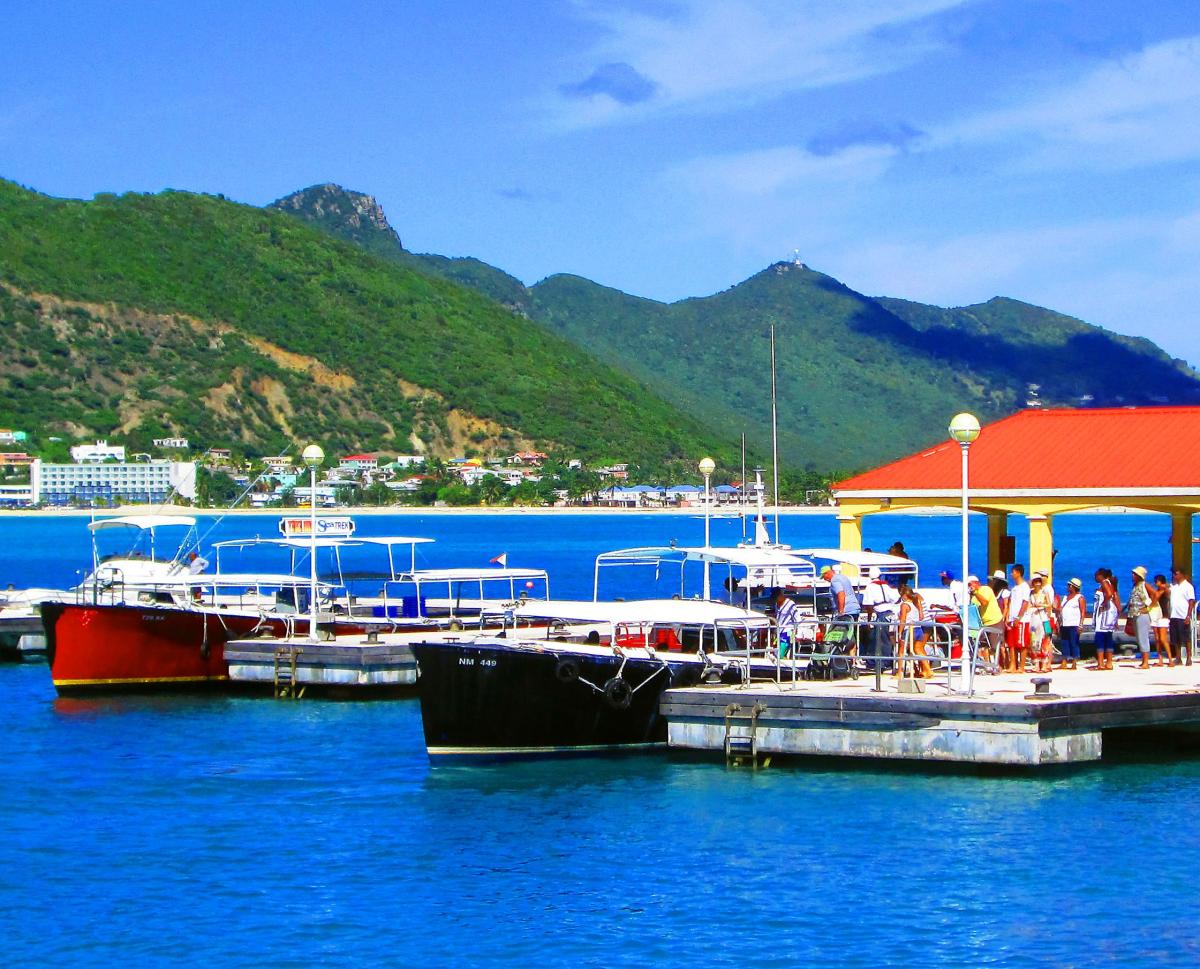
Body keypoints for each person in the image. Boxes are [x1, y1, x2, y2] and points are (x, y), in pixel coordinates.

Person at [860, 566, 900, 672]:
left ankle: (875, 662)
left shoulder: (870, 587)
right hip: (890, 613)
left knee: (876, 639)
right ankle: (888, 661)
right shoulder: (885, 585)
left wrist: (869, 620)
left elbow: (868, 605)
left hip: (880, 614)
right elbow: (896, 599)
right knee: (887, 639)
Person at [968, 575, 1004, 670]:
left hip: (994, 620)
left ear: (976, 583)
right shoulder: (973, 597)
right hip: (983, 623)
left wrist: (975, 592)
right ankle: (987, 665)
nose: (969, 586)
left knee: (995, 646)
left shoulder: (986, 589)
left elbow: (984, 602)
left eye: (970, 584)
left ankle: (999, 666)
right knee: (984, 645)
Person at [896, 584, 931, 678]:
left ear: (903, 595)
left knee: (901, 651)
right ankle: (928, 670)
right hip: (919, 629)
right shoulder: (916, 602)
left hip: (909, 630)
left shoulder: (904, 605)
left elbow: (903, 620)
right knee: (918, 649)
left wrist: (899, 632)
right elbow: (921, 616)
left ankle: (899, 673)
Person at [1006, 564, 1032, 673]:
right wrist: (1008, 617)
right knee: (1011, 643)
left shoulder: (1025, 587)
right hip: (1012, 618)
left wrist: (1018, 617)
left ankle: (1022, 666)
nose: (1012, 574)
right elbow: (1011, 603)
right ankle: (1013, 665)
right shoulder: (1014, 588)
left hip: (1022, 619)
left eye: (1013, 572)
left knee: (1021, 643)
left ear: (1018, 572)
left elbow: (1025, 603)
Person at [1126, 566, 1154, 670]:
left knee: (1143, 637)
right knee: (1139, 638)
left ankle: (1146, 662)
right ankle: (1143, 661)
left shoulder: (1144, 585)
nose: (1133, 576)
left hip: (1142, 614)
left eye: (1134, 574)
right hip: (1134, 614)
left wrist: (1148, 608)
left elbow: (1154, 594)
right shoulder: (1135, 586)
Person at [1092, 568, 1119, 671]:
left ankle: (1100, 663)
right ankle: (1109, 662)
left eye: (1096, 575)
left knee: (1100, 638)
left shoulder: (1104, 582)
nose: (1095, 577)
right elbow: (1115, 597)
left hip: (1104, 615)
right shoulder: (1110, 583)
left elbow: (1109, 594)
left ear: (1100, 575)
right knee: (1108, 638)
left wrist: (1103, 604)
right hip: (1110, 615)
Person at [1027, 574, 1055, 673]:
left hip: (1044, 619)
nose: (1038, 583)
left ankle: (1044, 664)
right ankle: (1036, 664)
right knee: (1034, 641)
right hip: (1033, 618)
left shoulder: (1044, 592)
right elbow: (1028, 605)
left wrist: (1041, 605)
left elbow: (1050, 604)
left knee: (1045, 640)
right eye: (1036, 581)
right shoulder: (1030, 593)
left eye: (1039, 581)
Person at [1057, 578, 1086, 671]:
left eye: (1069, 585)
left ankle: (1074, 662)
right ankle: (1064, 661)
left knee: (1074, 642)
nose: (1068, 587)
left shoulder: (1080, 598)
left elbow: (1083, 611)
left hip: (1074, 623)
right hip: (1064, 623)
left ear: (1073, 586)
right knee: (1064, 642)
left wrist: (1081, 624)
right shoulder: (1066, 597)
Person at [1170, 566, 1196, 666]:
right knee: (1175, 639)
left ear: (1182, 574)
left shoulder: (1188, 587)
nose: (1174, 576)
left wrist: (1188, 616)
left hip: (1183, 615)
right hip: (1174, 615)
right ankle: (1178, 657)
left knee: (1186, 638)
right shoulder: (1174, 587)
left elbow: (1191, 601)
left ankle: (1189, 657)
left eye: (1176, 574)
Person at [1149, 574, 1172, 666]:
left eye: (1157, 581)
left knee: (1163, 639)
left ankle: (1170, 659)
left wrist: (1163, 586)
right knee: (1157, 639)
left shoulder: (1164, 590)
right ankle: (1160, 659)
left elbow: (1166, 590)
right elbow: (1153, 601)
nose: (1155, 583)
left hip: (1163, 616)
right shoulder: (1157, 591)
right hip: (1155, 615)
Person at [774, 589, 799, 657]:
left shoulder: (790, 604)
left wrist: (795, 630)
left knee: (781, 653)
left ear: (780, 596)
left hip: (788, 631)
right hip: (779, 631)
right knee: (776, 652)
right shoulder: (776, 604)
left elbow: (797, 618)